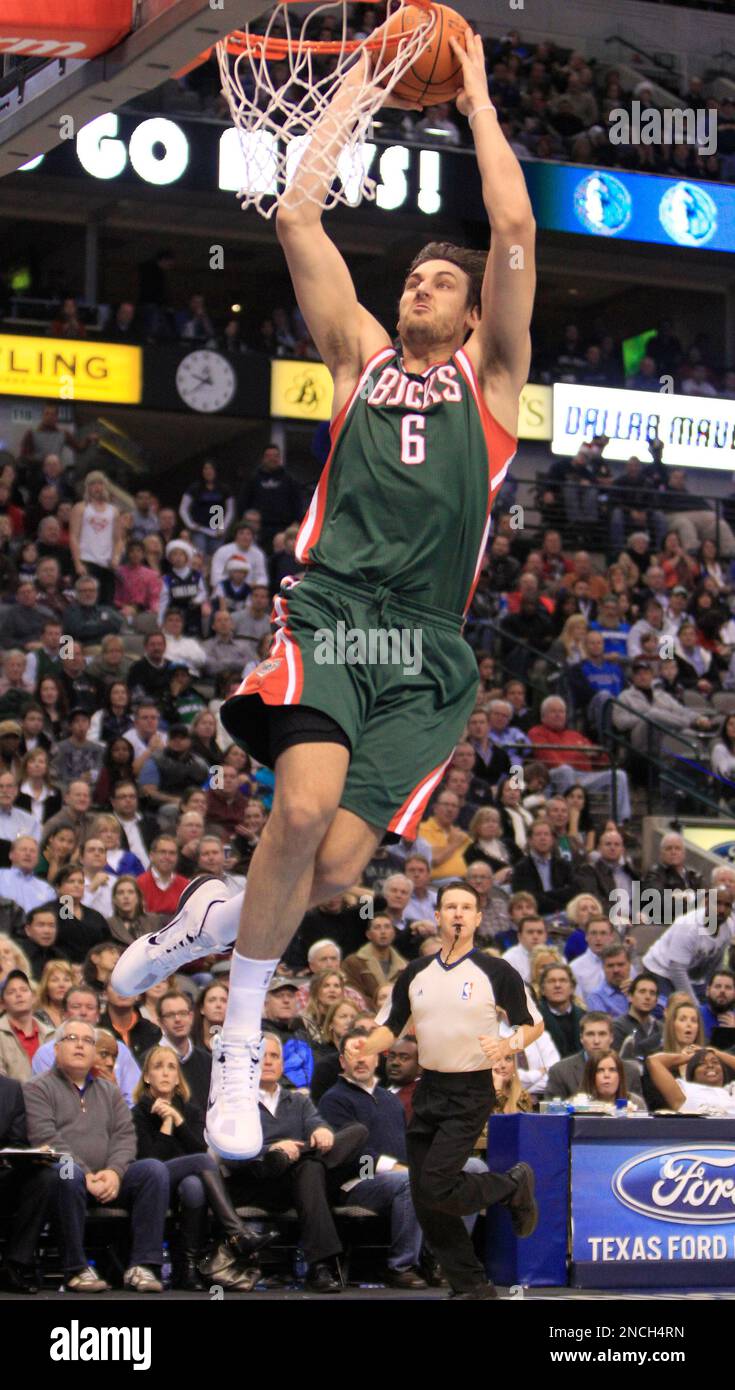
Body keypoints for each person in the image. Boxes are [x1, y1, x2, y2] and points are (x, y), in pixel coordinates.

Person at [112, 30, 537, 1163]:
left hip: (431, 655)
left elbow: (516, 231)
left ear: (470, 310)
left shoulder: (492, 386)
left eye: (440, 280)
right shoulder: (356, 355)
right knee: (296, 814)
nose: (422, 286)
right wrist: (368, 77)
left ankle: (213, 919)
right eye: (414, 275)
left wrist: (480, 89)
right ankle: (237, 1048)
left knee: (340, 872)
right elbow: (301, 213)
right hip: (337, 610)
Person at [344, 882, 542, 1300]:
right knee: (424, 1197)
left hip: (471, 1088)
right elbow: (390, 1026)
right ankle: (471, 1285)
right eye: (449, 906)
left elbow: (533, 1023)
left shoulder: (496, 970)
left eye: (466, 907)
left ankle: (511, 1185)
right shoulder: (415, 973)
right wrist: (366, 1044)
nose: (457, 913)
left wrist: (508, 1044)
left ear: (476, 917)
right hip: (429, 1086)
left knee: (436, 1185)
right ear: (437, 916)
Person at [24, 1017, 170, 1292]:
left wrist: (115, 1171)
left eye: (87, 1041)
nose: (80, 1045)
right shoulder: (37, 1088)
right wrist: (87, 1174)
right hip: (69, 1177)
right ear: (56, 1049)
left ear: (94, 1052)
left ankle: (143, 1266)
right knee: (67, 1171)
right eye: (72, 1039)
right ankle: (77, 1269)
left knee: (154, 1170)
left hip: (108, 1177)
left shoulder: (110, 1091)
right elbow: (46, 1139)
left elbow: (125, 1137)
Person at [225, 1032, 368, 1292]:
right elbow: (230, 1154)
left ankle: (321, 1267)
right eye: (261, 1056)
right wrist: (273, 1148)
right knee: (304, 1166)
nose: (268, 1062)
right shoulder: (235, 1103)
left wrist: (322, 1131)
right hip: (259, 1180)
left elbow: (316, 1123)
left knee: (355, 1133)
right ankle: (321, 1266)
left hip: (299, 1180)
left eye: (274, 1056)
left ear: (282, 1064)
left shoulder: (298, 1100)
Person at [132, 1046, 275, 1290]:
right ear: (147, 1077)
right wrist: (166, 1123)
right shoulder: (139, 1113)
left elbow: (198, 1147)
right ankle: (237, 1232)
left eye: (171, 1067)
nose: (165, 1073)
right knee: (202, 1163)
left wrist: (177, 1119)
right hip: (153, 1185)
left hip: (185, 1183)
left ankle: (186, 1269)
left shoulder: (190, 1110)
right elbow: (152, 1160)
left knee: (194, 1186)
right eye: (158, 1067)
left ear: (178, 1077)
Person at [319, 1033, 428, 1288]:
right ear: (342, 1061)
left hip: (398, 1176)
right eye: (353, 1055)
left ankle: (434, 1258)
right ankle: (400, 1266)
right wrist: (393, 1168)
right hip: (357, 1181)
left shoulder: (390, 1099)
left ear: (378, 1058)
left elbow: (404, 1147)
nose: (360, 1060)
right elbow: (348, 1156)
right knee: (409, 1181)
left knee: (471, 1169)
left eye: (366, 1053)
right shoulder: (334, 1100)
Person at [0, 1074, 62, 1293]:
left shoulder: (10, 1088)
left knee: (44, 1177)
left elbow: (16, 1141)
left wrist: (25, 1157)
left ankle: (14, 1264)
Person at [32, 983, 140, 1105]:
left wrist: (114, 1093)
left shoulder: (118, 1048)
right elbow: (50, 1100)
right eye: (76, 1006)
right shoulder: (47, 1053)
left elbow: (135, 1100)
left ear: (98, 1015)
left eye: (90, 1007)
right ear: (63, 1014)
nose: (83, 1012)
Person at [642, 888, 735, 1001]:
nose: (722, 909)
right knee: (678, 1010)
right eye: (717, 903)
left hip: (691, 975)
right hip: (661, 971)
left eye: (727, 905)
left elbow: (717, 966)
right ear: (706, 903)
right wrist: (693, 1005)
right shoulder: (689, 926)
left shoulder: (729, 927)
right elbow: (677, 969)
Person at [544, 1012, 643, 1101]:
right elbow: (552, 1115)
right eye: (590, 1034)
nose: (596, 1041)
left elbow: (639, 1114)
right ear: (581, 1038)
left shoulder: (630, 1072)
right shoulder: (560, 1071)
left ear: (611, 1038)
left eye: (602, 1034)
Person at [156, 988, 212, 1113]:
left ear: (191, 1017)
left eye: (182, 1013)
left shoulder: (207, 1061)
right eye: (170, 1015)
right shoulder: (150, 1061)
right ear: (161, 1022)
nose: (178, 1019)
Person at [342, 911, 407, 1007]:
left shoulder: (404, 967)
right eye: (377, 927)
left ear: (393, 933)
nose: (383, 932)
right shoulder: (354, 963)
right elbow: (353, 993)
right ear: (368, 934)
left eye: (387, 927)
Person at [646, 1046, 735, 1116]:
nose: (710, 1065)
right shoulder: (684, 1091)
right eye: (701, 1063)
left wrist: (715, 1052)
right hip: (701, 1137)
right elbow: (654, 1061)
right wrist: (689, 1057)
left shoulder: (730, 1091)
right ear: (692, 1072)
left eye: (715, 1062)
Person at [0, 970, 53, 1080]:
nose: (19, 995)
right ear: (3, 1003)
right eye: (11, 992)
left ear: (33, 997)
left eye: (24, 990)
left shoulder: (52, 1035)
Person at [537, 962, 585, 1058]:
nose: (557, 985)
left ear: (572, 988)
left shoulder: (584, 1017)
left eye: (563, 980)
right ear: (542, 989)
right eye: (551, 981)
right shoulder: (534, 1019)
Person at [613, 973, 663, 1056]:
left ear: (656, 1000)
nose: (648, 997)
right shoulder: (617, 1027)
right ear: (630, 996)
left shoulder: (662, 1028)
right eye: (642, 991)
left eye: (652, 993)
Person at [581, 1050, 647, 1111]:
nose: (606, 1075)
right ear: (590, 1076)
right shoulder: (578, 1104)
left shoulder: (636, 1103)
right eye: (600, 1070)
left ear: (620, 1075)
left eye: (612, 1070)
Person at [585, 943, 634, 1016]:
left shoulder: (643, 989)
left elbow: (655, 1018)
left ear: (629, 965)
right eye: (610, 966)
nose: (616, 970)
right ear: (603, 968)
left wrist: (635, 995)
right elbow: (603, 1026)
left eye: (620, 965)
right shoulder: (596, 997)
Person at [385, 1035, 421, 1124]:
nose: (395, 1062)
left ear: (420, 1066)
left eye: (404, 1058)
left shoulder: (418, 1100)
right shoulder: (380, 1089)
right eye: (391, 1056)